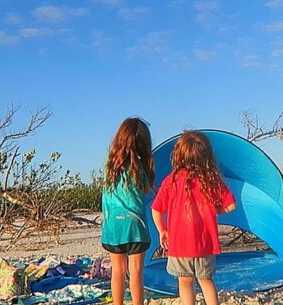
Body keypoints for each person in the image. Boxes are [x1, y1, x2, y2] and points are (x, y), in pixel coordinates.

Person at [151, 131, 236, 305]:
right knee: (205, 280)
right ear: (206, 156)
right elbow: (231, 205)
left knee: (184, 281)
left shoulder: (171, 181)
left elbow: (156, 209)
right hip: (205, 243)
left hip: (179, 244)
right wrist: (213, 210)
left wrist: (162, 231)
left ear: (178, 155)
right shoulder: (211, 179)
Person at [100, 117, 155, 305]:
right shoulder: (140, 167)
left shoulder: (109, 166)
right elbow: (147, 190)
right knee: (136, 271)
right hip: (135, 225)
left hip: (112, 225)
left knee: (117, 270)